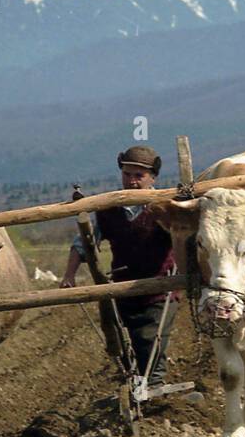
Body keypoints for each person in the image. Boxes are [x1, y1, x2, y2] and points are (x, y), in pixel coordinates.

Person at [61, 145, 176, 386]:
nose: (132, 181)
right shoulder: (108, 208)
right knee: (123, 340)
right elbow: (84, 243)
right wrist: (69, 275)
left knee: (149, 338)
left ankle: (152, 388)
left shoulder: (165, 205)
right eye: (127, 174)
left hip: (159, 287)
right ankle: (134, 383)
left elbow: (185, 238)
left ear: (152, 178)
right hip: (122, 288)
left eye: (139, 176)